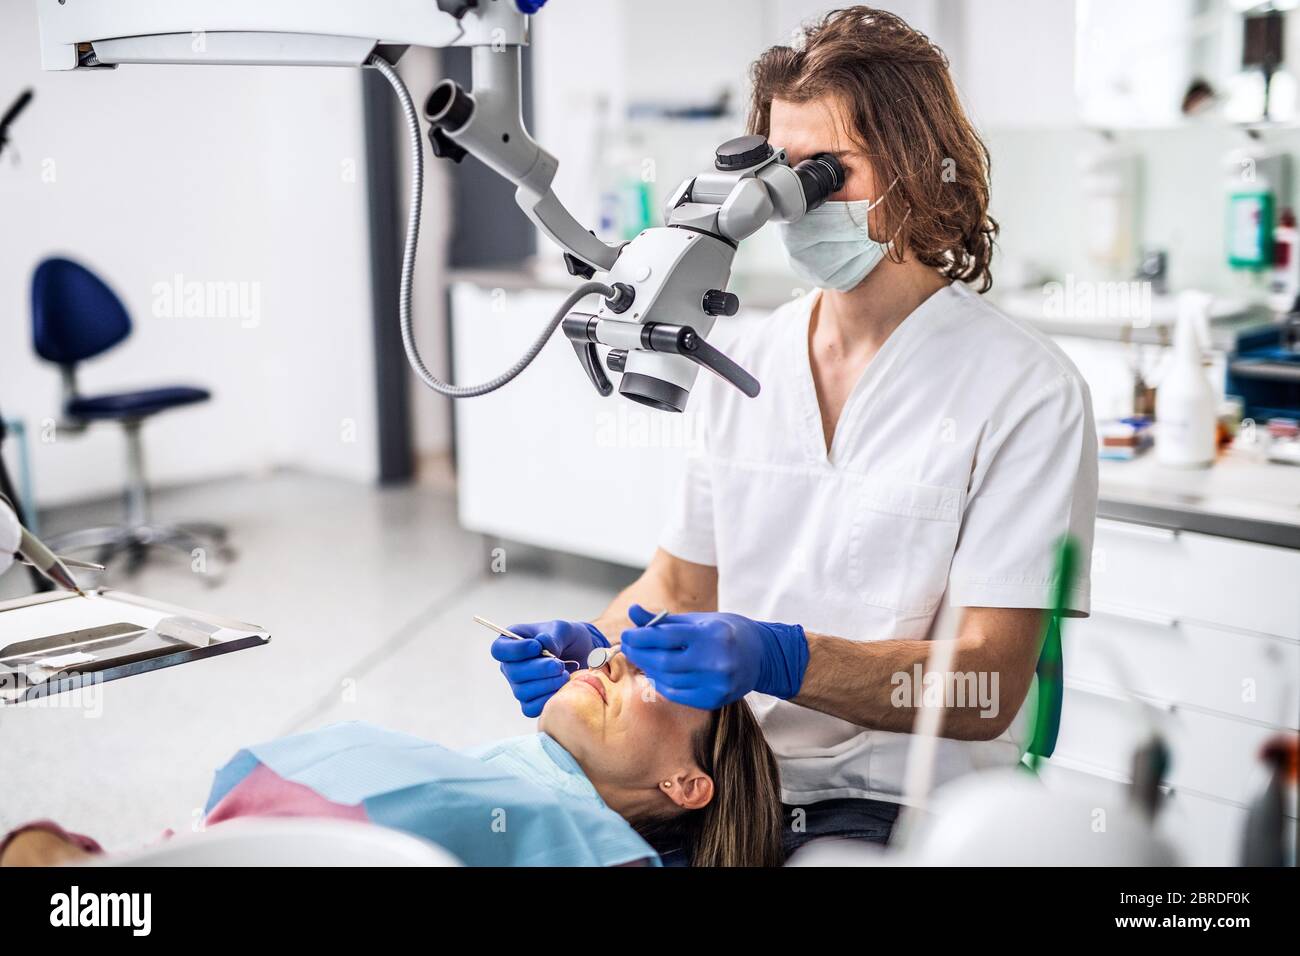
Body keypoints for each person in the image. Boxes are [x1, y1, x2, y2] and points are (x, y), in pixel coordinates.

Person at [492, 6, 1098, 857]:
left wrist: (786, 660)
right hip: (734, 788)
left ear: (918, 171)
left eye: (831, 174)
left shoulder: (1026, 390)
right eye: (786, 171)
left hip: (903, 803)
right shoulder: (745, 358)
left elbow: (987, 684)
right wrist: (598, 647)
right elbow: (680, 584)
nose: (800, 204)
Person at [0, 653, 783, 867]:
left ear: (686, 783)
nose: (612, 654)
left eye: (663, 673)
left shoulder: (591, 846)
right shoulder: (493, 775)